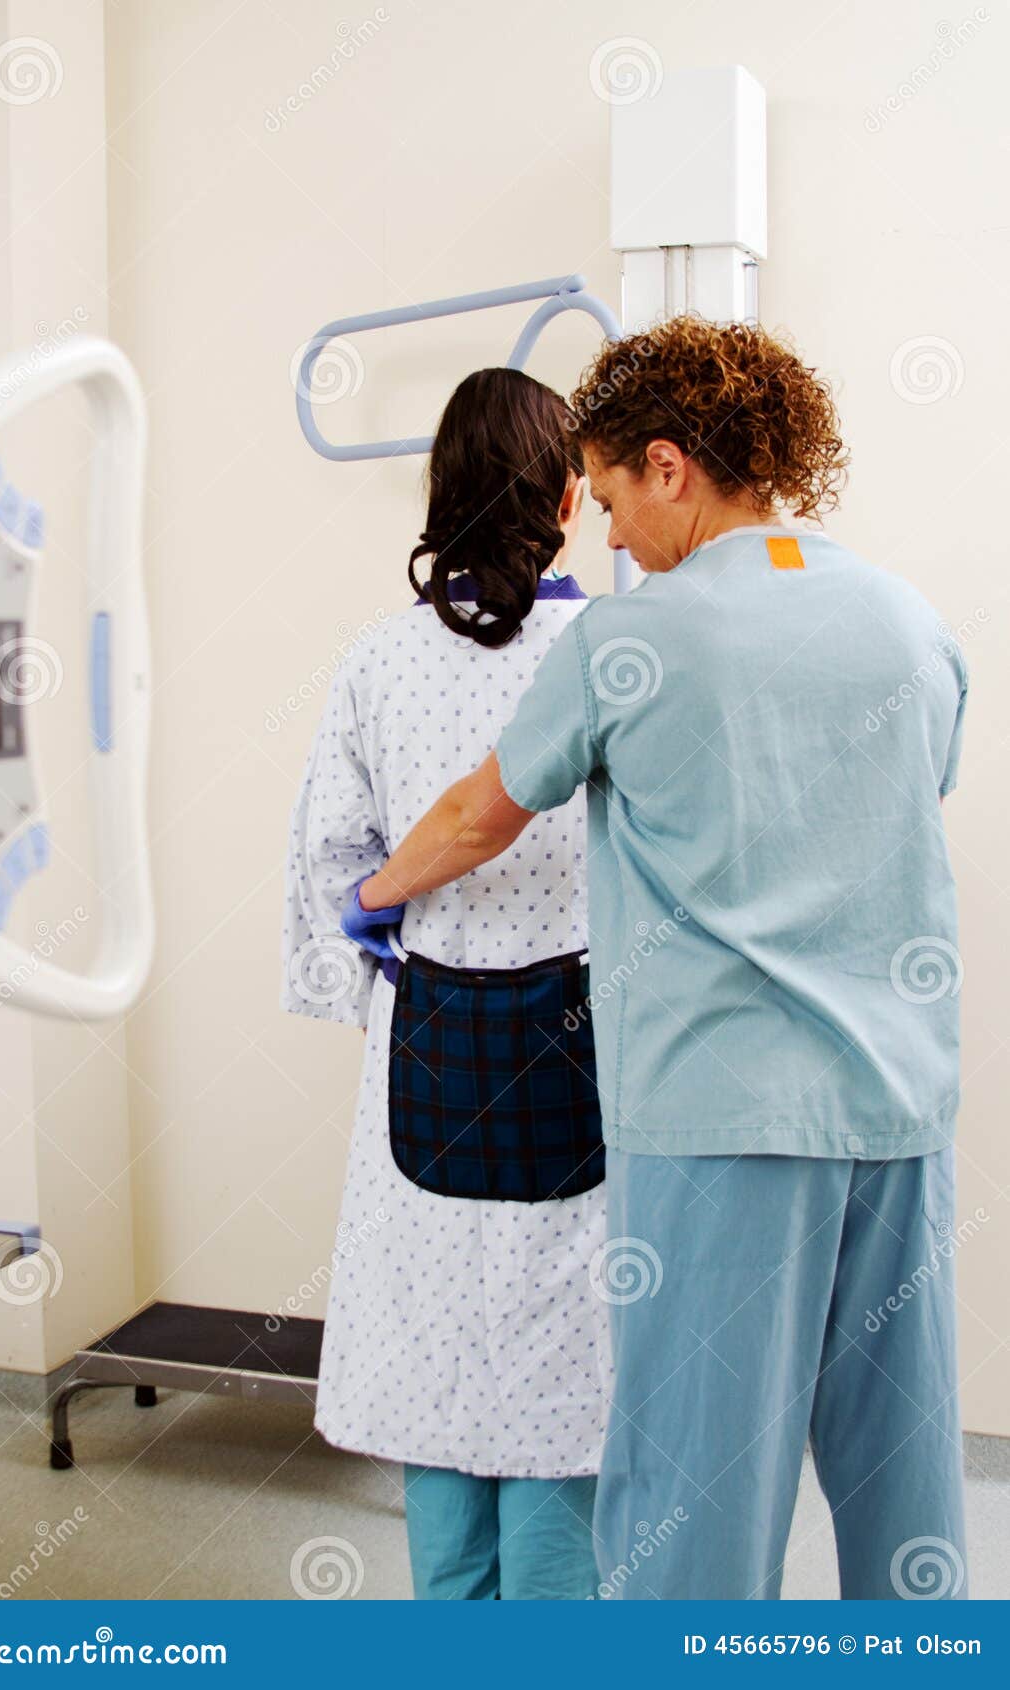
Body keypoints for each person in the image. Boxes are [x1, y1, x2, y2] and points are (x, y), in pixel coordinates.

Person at [352, 317, 970, 1601]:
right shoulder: (911, 626)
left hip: (716, 1127)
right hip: (899, 1119)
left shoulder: (634, 640)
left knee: (692, 1496)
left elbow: (480, 813)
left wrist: (373, 890)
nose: (611, 533)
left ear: (669, 464)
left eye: (616, 490)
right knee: (901, 1475)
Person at [281, 367, 611, 1601]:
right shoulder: (610, 653)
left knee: (431, 1362)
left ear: (441, 496)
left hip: (424, 1048)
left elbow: (333, 866)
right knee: (563, 1358)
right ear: (568, 496)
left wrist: (385, 933)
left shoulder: (377, 662)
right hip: (582, 1047)